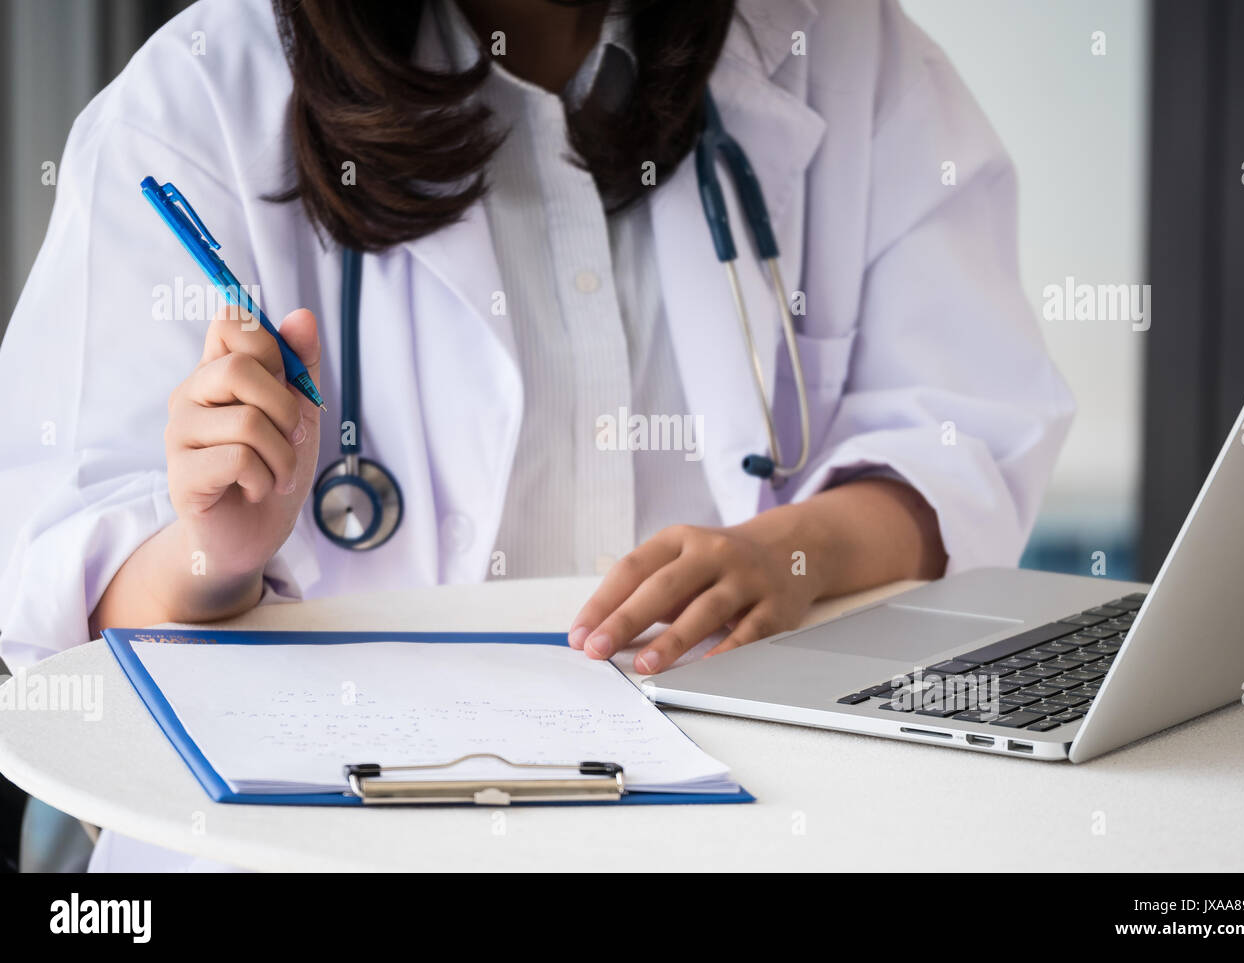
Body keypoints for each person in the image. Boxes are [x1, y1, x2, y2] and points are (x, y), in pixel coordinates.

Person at [0, 0, 1073, 870]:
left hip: (742, 815)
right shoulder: (200, 94)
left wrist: (793, 552)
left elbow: (960, 434)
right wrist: (215, 549)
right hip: (318, 839)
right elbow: (56, 606)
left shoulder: (843, 50)